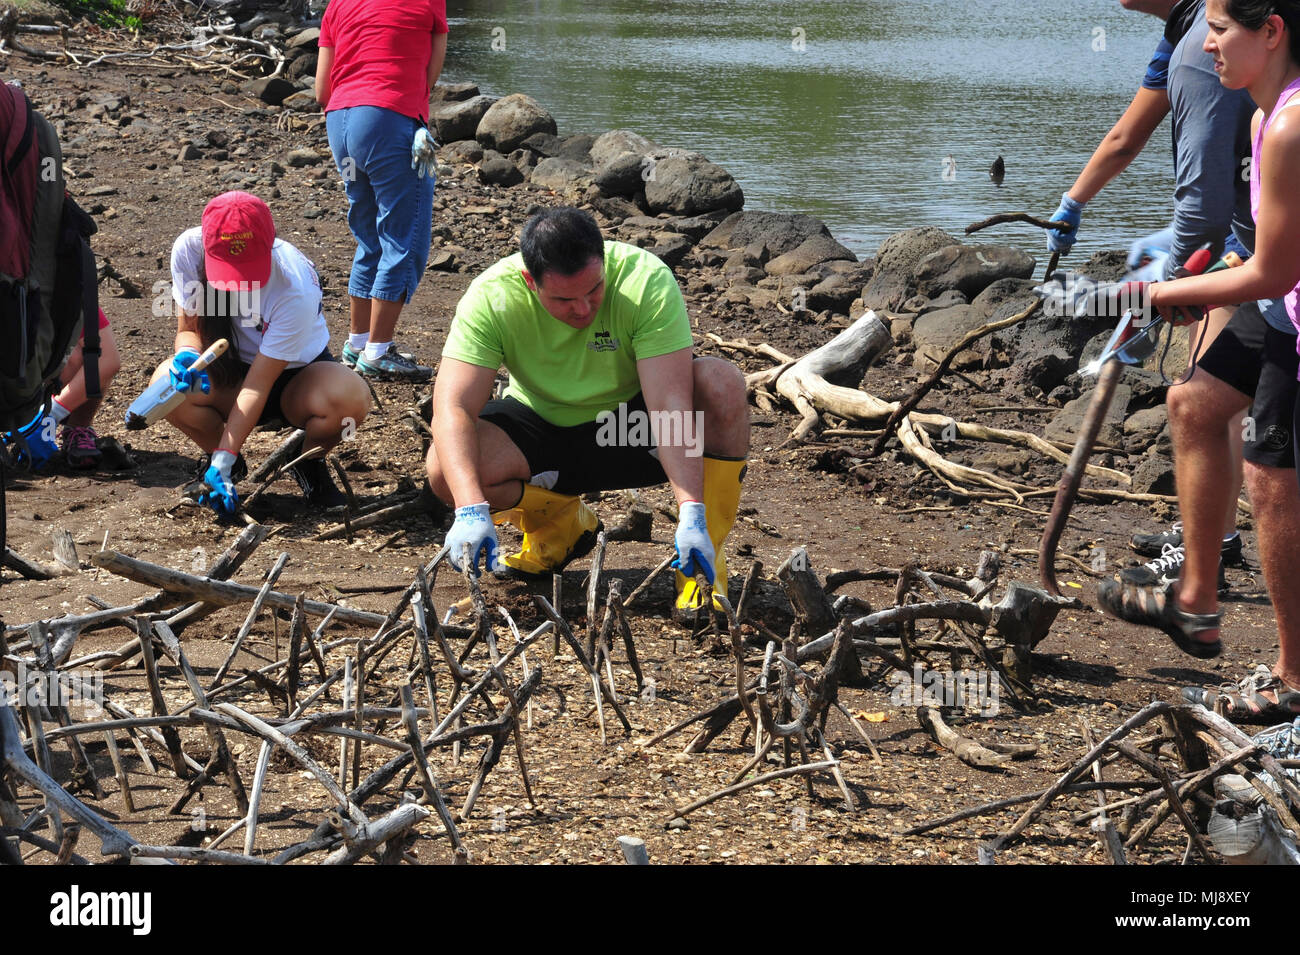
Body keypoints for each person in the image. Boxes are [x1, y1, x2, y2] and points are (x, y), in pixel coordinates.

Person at [1099, 0, 1300, 721]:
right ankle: (1196, 601)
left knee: (1272, 476)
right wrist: (1195, 284)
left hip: (1292, 308)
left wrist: (1164, 292)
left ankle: (1293, 680)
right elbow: (1261, 248)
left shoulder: (1291, 126)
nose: (1206, 44)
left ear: (1271, 31)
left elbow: (1274, 274)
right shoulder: (1260, 117)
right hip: (1280, 295)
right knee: (1195, 401)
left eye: (1220, 30)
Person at [425, 207, 750, 619]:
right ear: (531, 281)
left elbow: (669, 406)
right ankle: (563, 525)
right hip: (544, 429)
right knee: (443, 468)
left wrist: (691, 510)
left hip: (629, 431)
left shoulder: (644, 279)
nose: (583, 309)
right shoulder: (493, 296)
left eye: (594, 290)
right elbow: (452, 407)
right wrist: (470, 507)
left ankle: (703, 568)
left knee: (720, 382)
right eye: (564, 299)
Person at [1048, 0, 1259, 578]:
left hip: (1262, 249)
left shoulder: (1201, 48)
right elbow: (1125, 135)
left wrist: (1163, 294)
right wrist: (1074, 202)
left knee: (1207, 406)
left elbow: (1202, 209)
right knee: (1204, 397)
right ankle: (1212, 537)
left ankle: (1206, 559)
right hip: (1250, 240)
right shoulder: (1190, 35)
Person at [152, 191, 370, 516]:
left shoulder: (294, 286)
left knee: (349, 399)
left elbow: (258, 385)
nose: (239, 284)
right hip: (230, 369)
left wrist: (225, 451)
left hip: (296, 378)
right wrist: (187, 356)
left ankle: (306, 462)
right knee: (165, 386)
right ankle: (226, 467)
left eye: (247, 269)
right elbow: (188, 328)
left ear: (270, 244)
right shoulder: (189, 249)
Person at [315, 0, 449, 382]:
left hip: (340, 123)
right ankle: (378, 350)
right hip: (387, 116)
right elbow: (430, 78)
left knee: (369, 236)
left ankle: (358, 343)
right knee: (402, 238)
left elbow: (322, 88)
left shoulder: (338, 4)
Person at [2, 307, 121, 471]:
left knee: (85, 351)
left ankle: (76, 427)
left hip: (27, 372)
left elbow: (106, 359)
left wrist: (49, 416)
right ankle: (30, 421)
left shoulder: (68, 285)